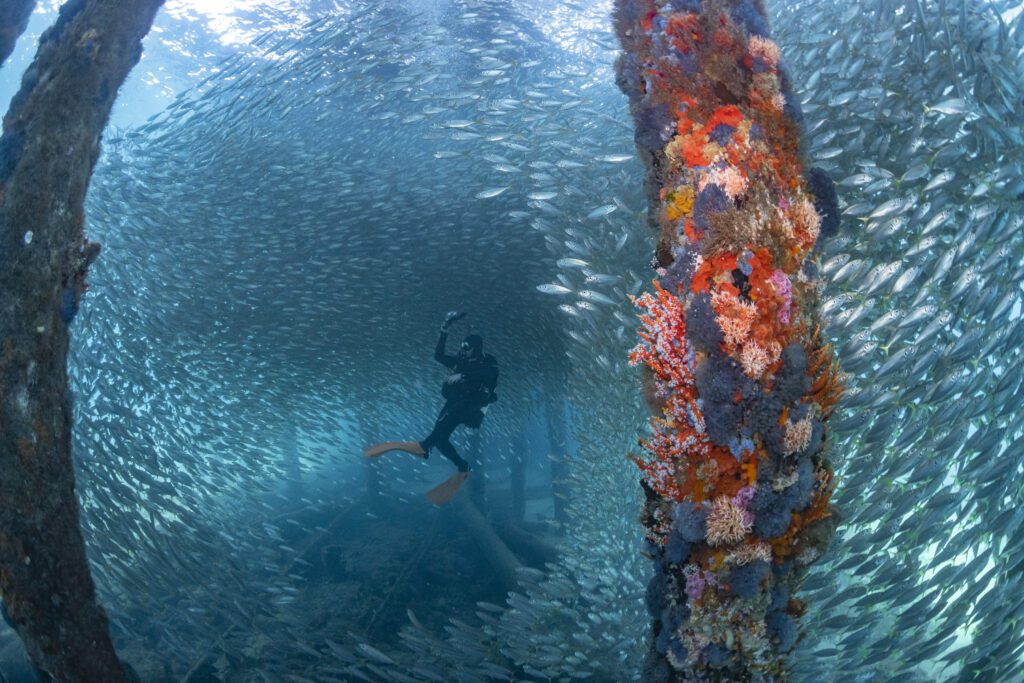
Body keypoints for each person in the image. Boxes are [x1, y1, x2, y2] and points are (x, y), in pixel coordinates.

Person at [364, 311, 498, 505]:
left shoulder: (488, 362)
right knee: (441, 439)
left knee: (440, 428)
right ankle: (462, 466)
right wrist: (443, 330)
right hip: (456, 405)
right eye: (462, 347)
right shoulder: (462, 362)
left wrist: (462, 376)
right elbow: (439, 356)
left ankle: (424, 446)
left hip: (473, 411)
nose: (463, 350)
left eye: (467, 347)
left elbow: (489, 374)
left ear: (476, 348)